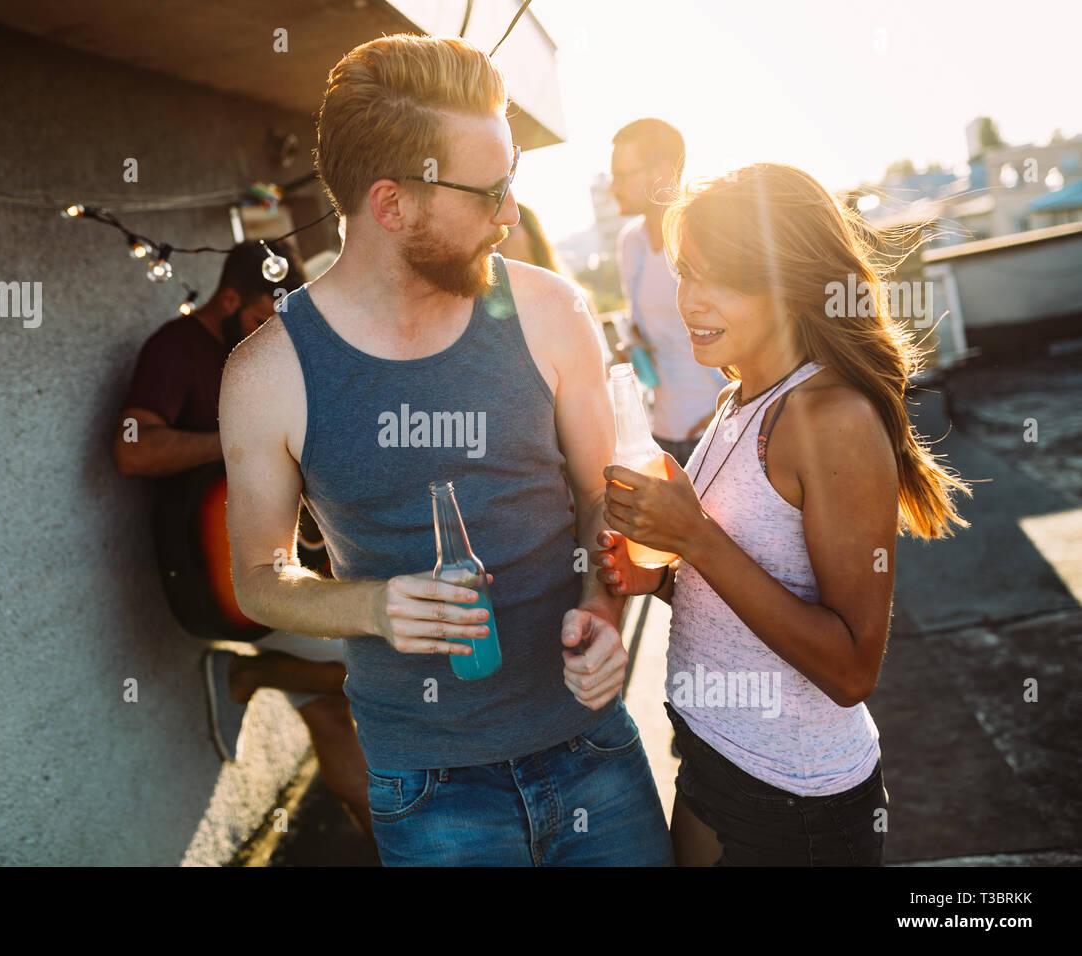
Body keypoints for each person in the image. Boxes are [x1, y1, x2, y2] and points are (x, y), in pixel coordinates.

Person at [219, 33, 673, 867]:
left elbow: (598, 501)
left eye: (514, 185)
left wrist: (606, 612)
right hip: (425, 788)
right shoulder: (265, 374)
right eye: (491, 191)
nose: (510, 215)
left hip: (592, 753)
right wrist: (373, 606)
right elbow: (258, 579)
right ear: (392, 205)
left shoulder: (552, 312)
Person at [597, 162, 972, 866]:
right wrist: (664, 575)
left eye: (722, 278)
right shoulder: (737, 399)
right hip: (714, 756)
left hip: (793, 801)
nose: (690, 302)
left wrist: (696, 540)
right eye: (684, 272)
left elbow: (852, 668)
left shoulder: (830, 418)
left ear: (791, 283)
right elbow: (748, 580)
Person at [112, 240, 375, 845]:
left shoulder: (268, 357)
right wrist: (237, 443)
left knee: (337, 718)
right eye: (260, 318)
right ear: (228, 298)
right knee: (395, 662)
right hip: (225, 567)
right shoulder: (175, 349)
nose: (269, 334)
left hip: (285, 556)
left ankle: (242, 678)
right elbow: (131, 448)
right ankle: (248, 676)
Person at [610, 118, 727, 465]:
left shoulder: (706, 237)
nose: (613, 188)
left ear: (661, 172)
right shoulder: (630, 243)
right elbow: (646, 326)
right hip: (662, 433)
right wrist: (633, 347)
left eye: (622, 175)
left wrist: (724, 418)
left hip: (715, 429)